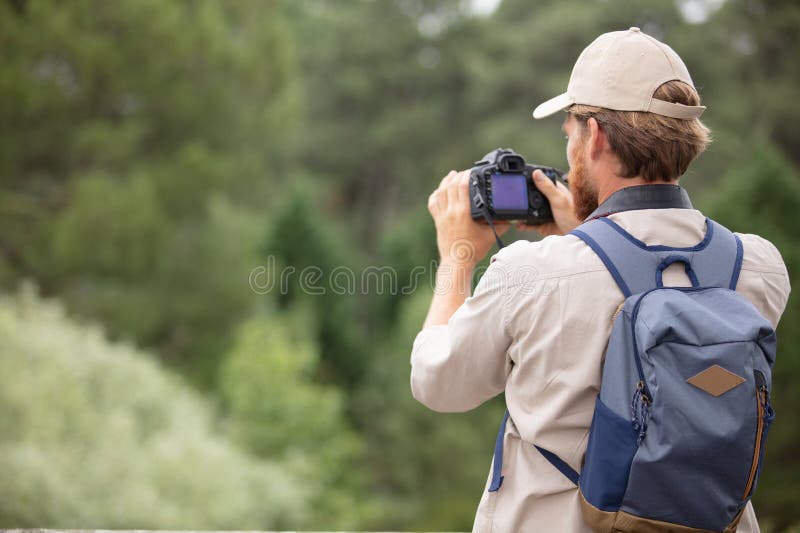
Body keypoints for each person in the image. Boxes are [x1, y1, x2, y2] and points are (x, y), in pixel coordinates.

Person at [410, 27, 791, 532]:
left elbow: (438, 383)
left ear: (596, 136)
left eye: (568, 130)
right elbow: (659, 273)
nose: (568, 147)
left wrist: (457, 256)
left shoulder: (531, 272)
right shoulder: (761, 267)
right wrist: (586, 236)